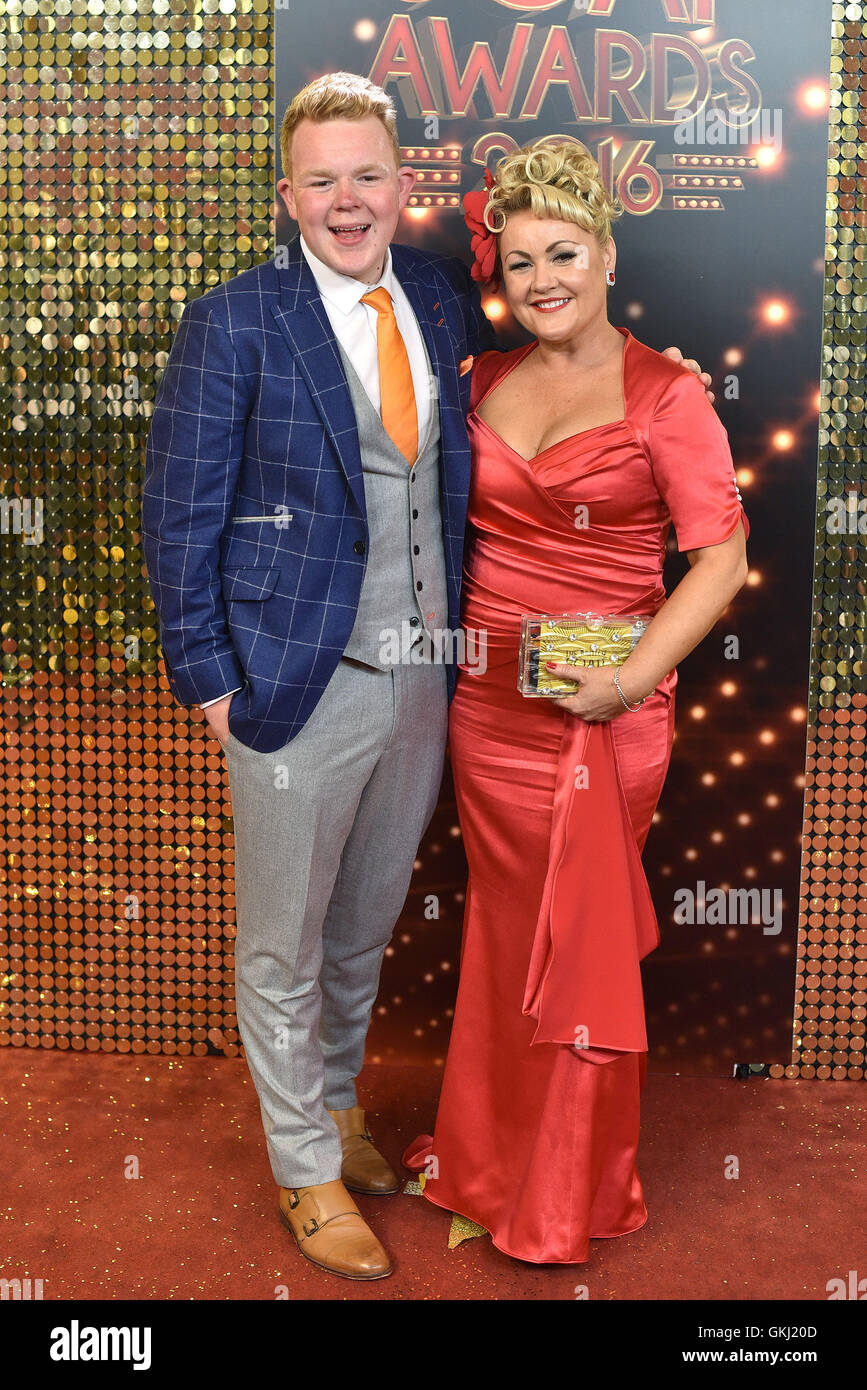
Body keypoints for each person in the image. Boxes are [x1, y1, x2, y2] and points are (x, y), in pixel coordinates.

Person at [142, 72, 711, 1282]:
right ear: (286, 193)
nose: (347, 201)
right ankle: (303, 1170)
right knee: (282, 943)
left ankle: (339, 1114)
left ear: (402, 184)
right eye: (320, 180)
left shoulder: (443, 303)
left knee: (361, 930)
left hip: (428, 684)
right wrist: (213, 684)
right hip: (291, 687)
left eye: (367, 175)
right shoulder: (233, 320)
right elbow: (177, 515)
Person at [413, 141, 749, 1265]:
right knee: (508, 941)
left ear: (607, 252)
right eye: (520, 262)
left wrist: (633, 678)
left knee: (579, 944)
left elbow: (720, 558)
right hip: (486, 716)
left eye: (564, 252)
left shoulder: (669, 392)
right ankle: (487, 1159)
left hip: (605, 719)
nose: (542, 277)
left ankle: (562, 1194)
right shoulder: (483, 379)